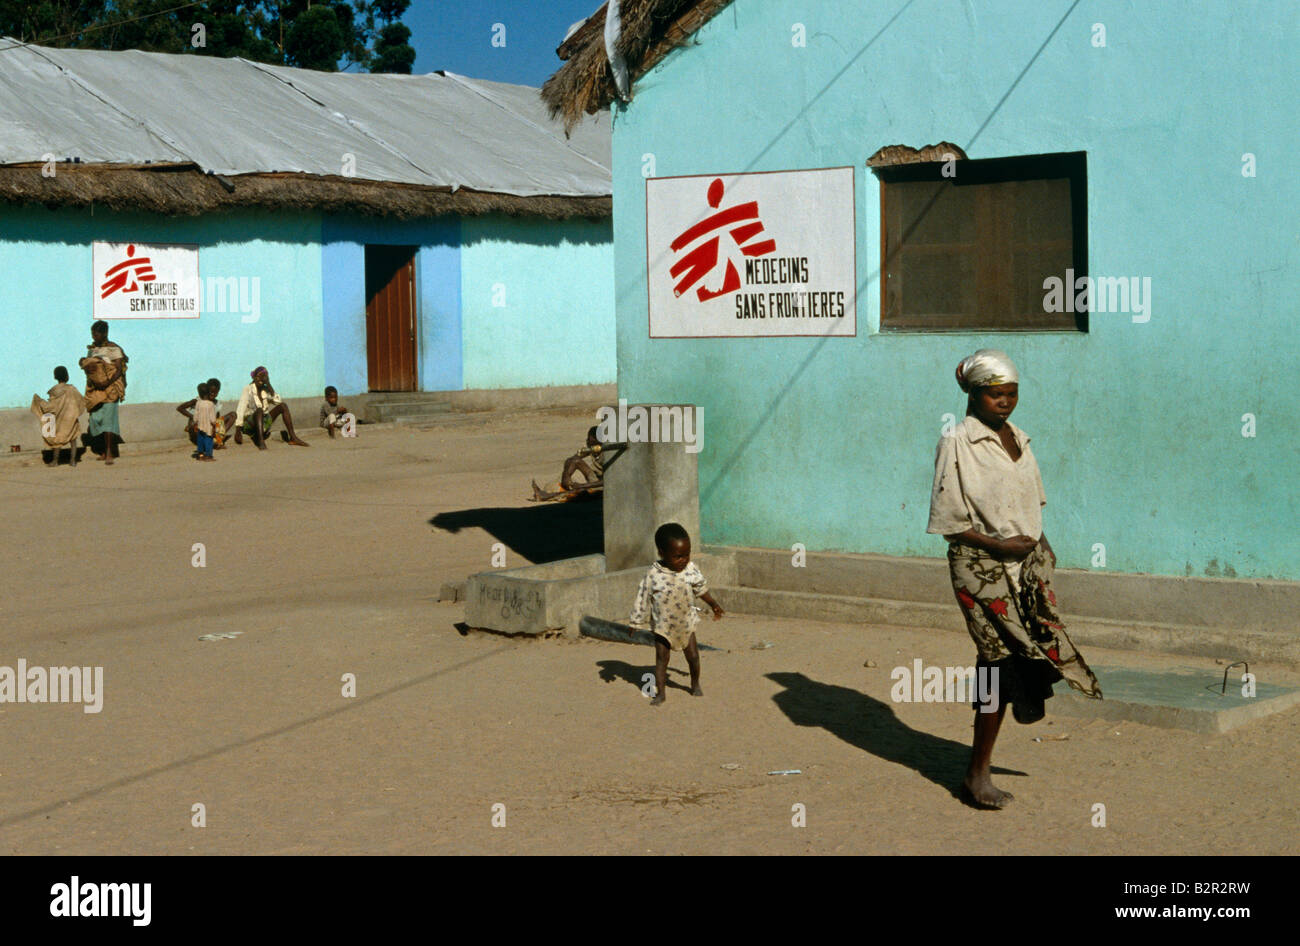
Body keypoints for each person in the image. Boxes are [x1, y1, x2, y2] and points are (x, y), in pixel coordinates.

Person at [927, 349, 1101, 810]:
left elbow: (1031, 504)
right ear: (974, 394)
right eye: (995, 394)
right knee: (997, 658)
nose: (1005, 402)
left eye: (1012, 394)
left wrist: (1042, 545)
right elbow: (949, 522)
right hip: (979, 566)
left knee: (1026, 655)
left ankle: (979, 763)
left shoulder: (1020, 440)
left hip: (1024, 566)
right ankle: (977, 773)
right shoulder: (957, 442)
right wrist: (1000, 547)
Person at [628, 522, 724, 706]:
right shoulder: (653, 574)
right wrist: (635, 622)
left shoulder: (690, 570)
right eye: (678, 556)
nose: (683, 560)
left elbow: (700, 588)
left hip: (686, 623)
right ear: (662, 553)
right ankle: (660, 693)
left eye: (687, 554)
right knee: (662, 659)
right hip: (663, 626)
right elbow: (642, 597)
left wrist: (713, 604)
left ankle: (695, 683)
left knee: (694, 657)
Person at [78, 320, 127, 465]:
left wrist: (107, 382)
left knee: (108, 422)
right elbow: (89, 366)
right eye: (92, 334)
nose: (94, 337)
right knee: (96, 420)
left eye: (96, 334)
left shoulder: (114, 349)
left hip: (110, 389)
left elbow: (118, 370)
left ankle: (110, 452)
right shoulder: (92, 350)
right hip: (96, 390)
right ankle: (103, 451)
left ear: (105, 333)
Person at [234, 367, 308, 449]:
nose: (260, 380)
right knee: (259, 410)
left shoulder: (265, 389)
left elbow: (278, 401)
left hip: (264, 422)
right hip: (250, 424)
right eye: (258, 377)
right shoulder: (248, 389)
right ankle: (261, 441)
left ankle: (293, 437)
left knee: (283, 406)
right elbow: (241, 408)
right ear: (254, 378)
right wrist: (238, 430)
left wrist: (268, 384)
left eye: (263, 378)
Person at [30, 366, 86, 466]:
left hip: (59, 420)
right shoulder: (72, 389)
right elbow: (80, 401)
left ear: (55, 377)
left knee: (57, 440)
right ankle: (73, 460)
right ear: (67, 376)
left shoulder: (55, 391)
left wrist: (38, 401)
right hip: (71, 418)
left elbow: (51, 407)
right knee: (73, 439)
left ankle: (55, 461)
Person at [177, 378, 236, 455]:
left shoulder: (216, 404)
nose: (213, 394)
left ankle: (218, 440)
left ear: (218, 391)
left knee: (233, 415)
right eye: (211, 392)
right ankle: (211, 444)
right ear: (206, 390)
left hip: (209, 430)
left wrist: (217, 432)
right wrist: (193, 417)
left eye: (215, 392)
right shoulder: (197, 400)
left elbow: (217, 421)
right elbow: (180, 408)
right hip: (196, 431)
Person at [192, 382, 217, 462]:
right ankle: (208, 456)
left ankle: (200, 454)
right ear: (208, 392)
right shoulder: (211, 404)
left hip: (200, 426)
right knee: (208, 441)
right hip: (208, 427)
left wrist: (195, 423)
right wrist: (214, 425)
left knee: (200, 441)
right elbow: (212, 418)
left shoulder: (198, 403)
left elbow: (195, 416)